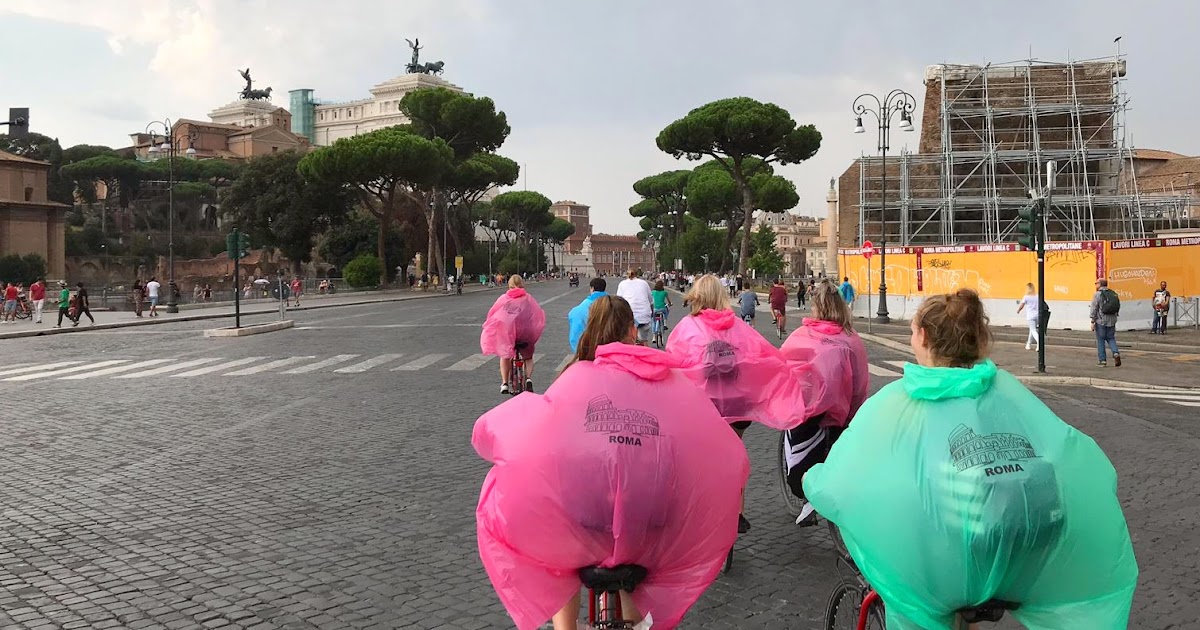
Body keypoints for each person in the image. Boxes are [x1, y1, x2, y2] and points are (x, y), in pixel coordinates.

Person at [802, 289, 1138, 630]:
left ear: (924, 336)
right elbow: (1064, 445)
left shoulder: (894, 402)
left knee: (921, 594)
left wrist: (812, 480)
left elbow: (845, 478)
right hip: (1022, 552)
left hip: (945, 569)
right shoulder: (1006, 389)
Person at [473, 295, 749, 630]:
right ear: (633, 330)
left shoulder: (574, 374)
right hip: (649, 511)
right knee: (642, 563)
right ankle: (637, 622)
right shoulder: (663, 376)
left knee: (560, 565)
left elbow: (546, 434)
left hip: (584, 510)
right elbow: (696, 429)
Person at [667, 274, 810, 534]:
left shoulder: (687, 327)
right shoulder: (737, 326)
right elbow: (760, 354)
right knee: (735, 454)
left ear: (696, 296)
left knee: (701, 458)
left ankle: (701, 506)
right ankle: (738, 513)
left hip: (704, 407)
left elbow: (674, 364)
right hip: (737, 405)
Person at [778, 279, 870, 525]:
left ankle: (810, 495)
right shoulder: (852, 339)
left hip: (807, 414)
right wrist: (854, 412)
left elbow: (783, 370)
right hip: (841, 413)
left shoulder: (801, 335)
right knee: (839, 457)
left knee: (800, 455)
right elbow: (860, 381)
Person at [481, 275, 547, 394]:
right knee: (528, 357)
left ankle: (505, 383)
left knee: (505, 354)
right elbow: (536, 313)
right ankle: (528, 378)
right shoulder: (528, 298)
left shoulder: (504, 298)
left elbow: (493, 313)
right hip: (526, 333)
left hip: (508, 334)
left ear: (509, 285)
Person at [616, 268, 654, 346]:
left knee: (628, 340)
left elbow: (619, 301)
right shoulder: (644, 283)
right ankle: (646, 353)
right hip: (644, 315)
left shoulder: (622, 284)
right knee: (644, 339)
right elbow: (650, 300)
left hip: (628, 316)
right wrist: (651, 312)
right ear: (637, 274)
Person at [567, 277, 606, 353]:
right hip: (608, 352)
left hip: (588, 351)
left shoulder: (578, 310)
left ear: (592, 289)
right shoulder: (614, 304)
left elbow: (575, 335)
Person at [1090, 278, 1121, 367]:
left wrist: (1092, 321)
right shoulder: (1113, 294)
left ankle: (1102, 360)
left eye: (1096, 283)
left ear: (1100, 284)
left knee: (1101, 340)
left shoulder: (1097, 294)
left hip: (1101, 321)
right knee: (1111, 338)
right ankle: (1115, 353)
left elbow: (1094, 308)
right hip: (1112, 320)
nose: (1095, 285)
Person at [1017, 282, 1041, 351]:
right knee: (1032, 329)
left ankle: (1039, 342)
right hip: (1037, 315)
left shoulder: (1026, 297)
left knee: (1033, 330)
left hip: (1030, 316)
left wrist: (1018, 310)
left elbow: (1022, 305)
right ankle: (1028, 344)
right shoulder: (1037, 296)